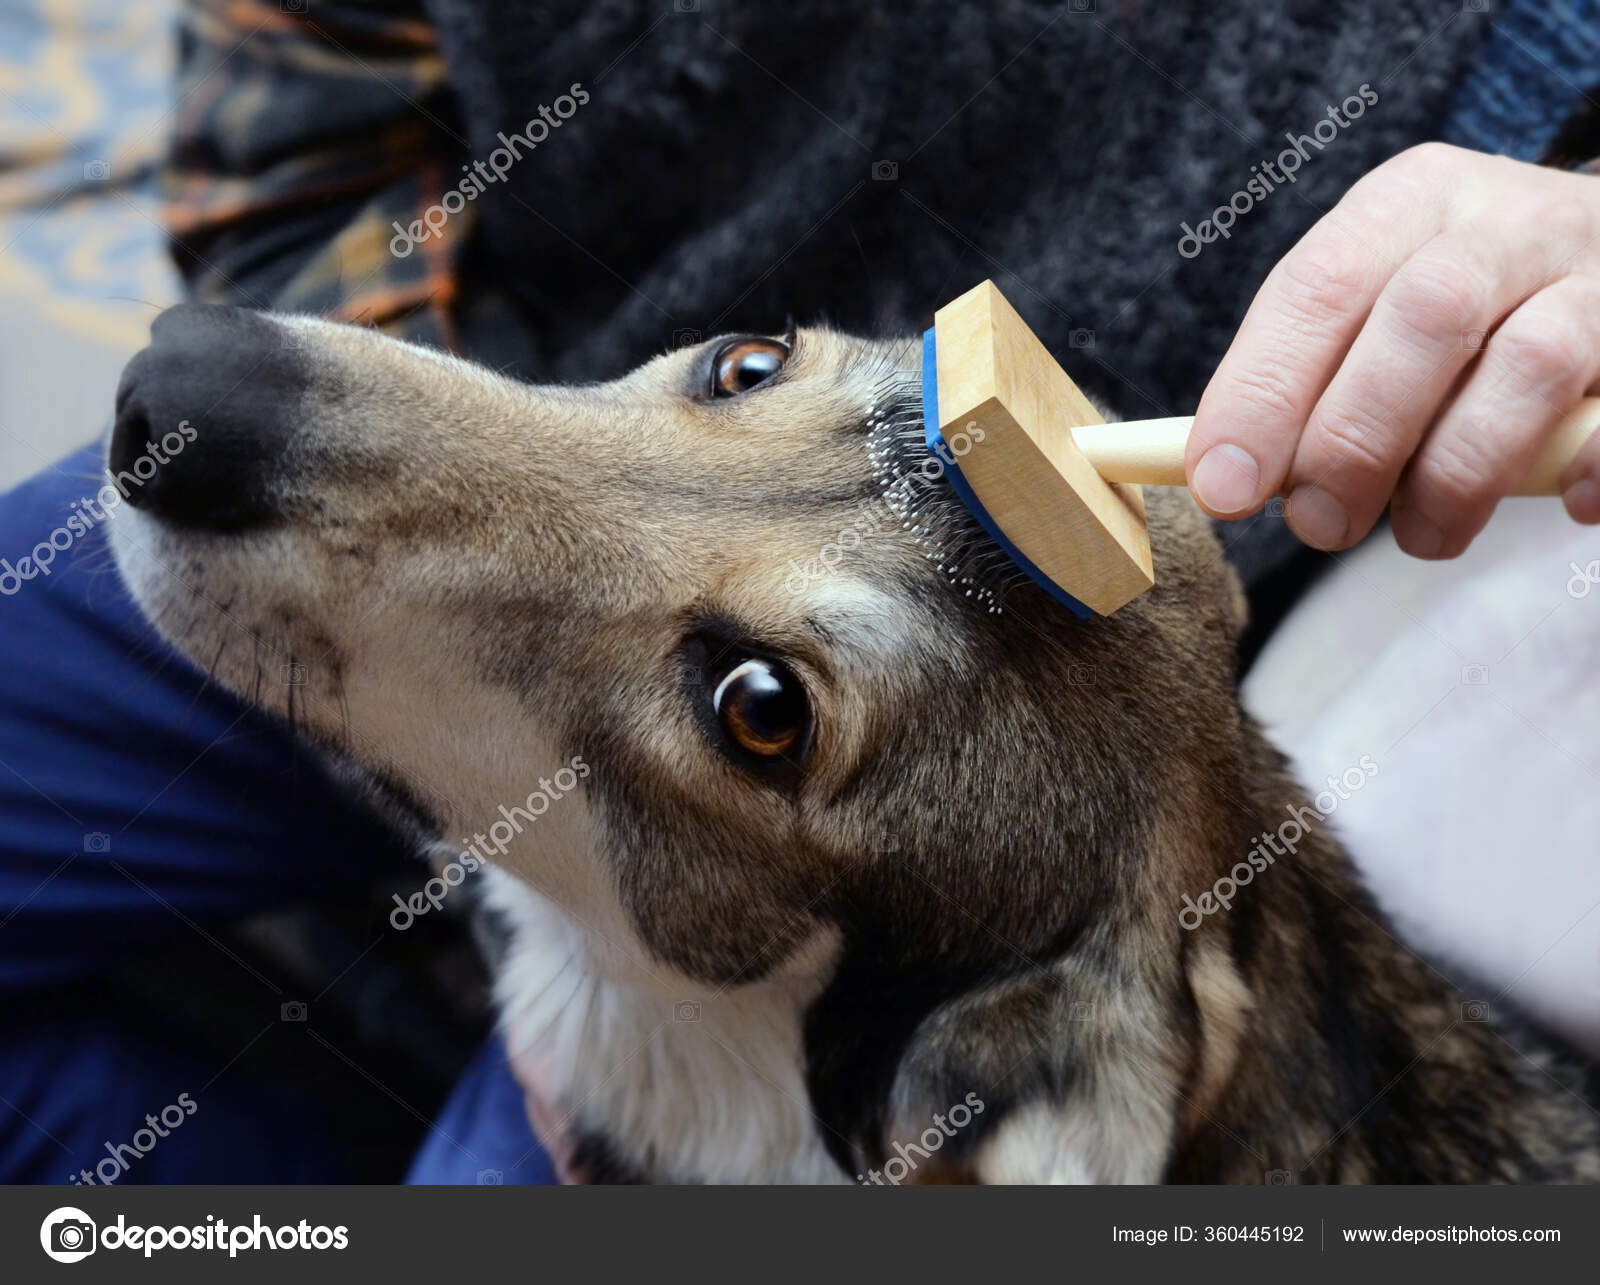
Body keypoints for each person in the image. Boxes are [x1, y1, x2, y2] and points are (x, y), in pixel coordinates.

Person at [4, 0, 1598, 1182]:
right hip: (502, 389)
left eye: (767, 703)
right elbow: (284, 155)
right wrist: (470, 531)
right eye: (756, 370)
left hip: (821, 937)